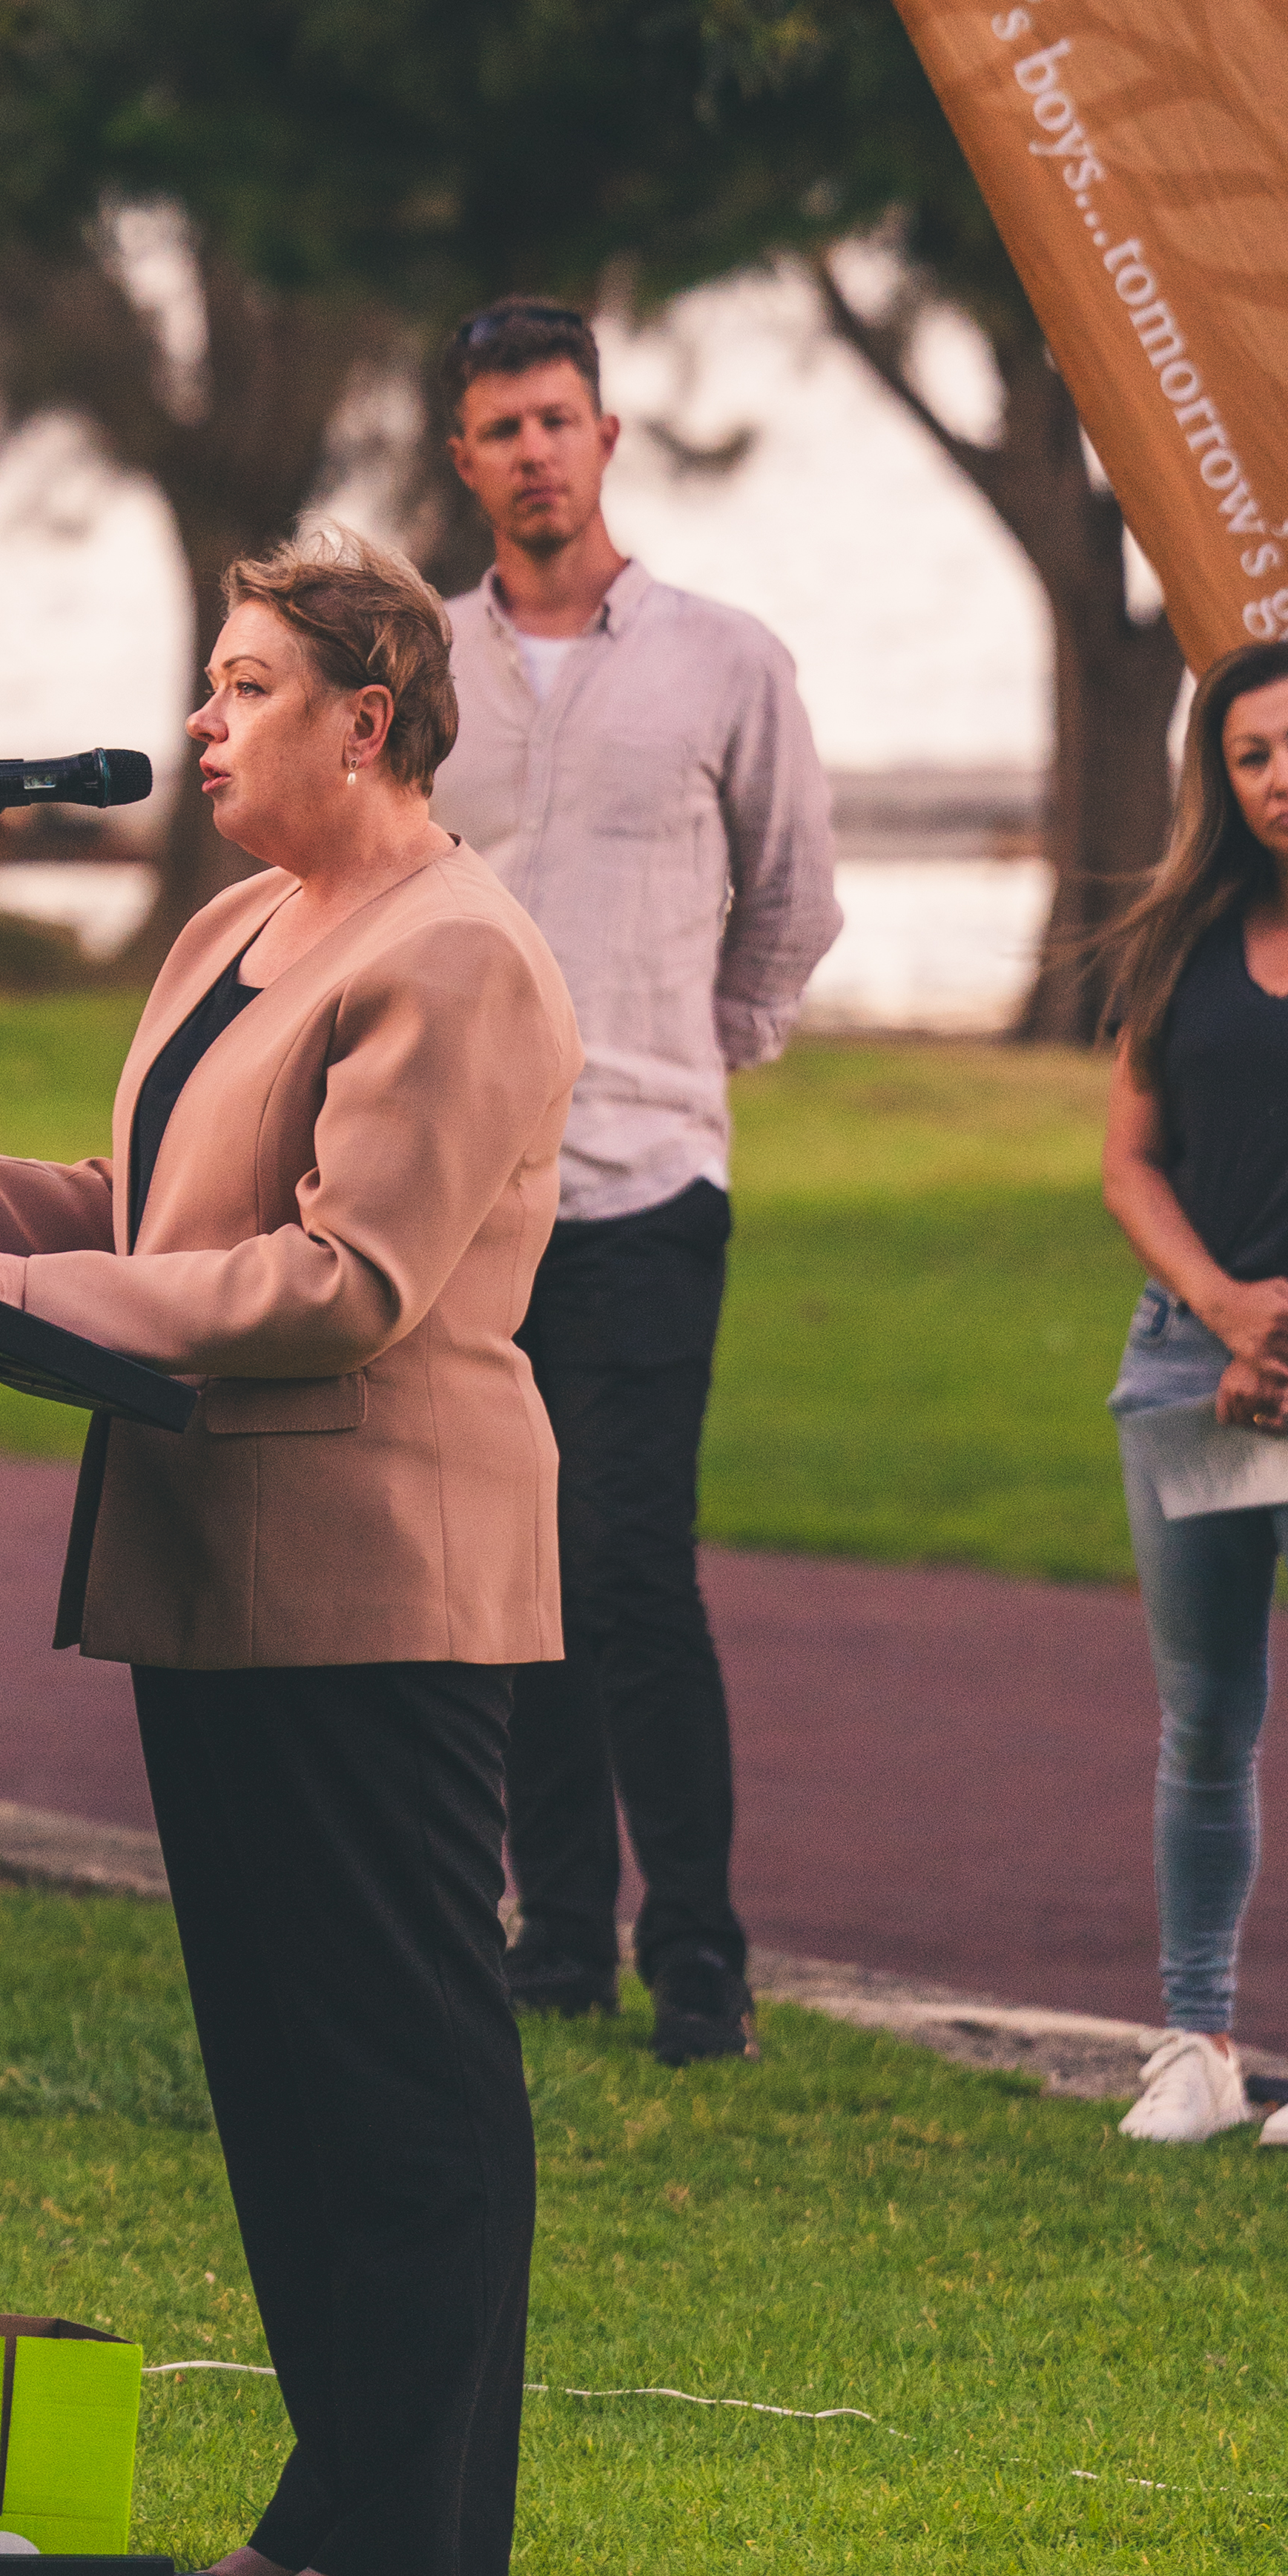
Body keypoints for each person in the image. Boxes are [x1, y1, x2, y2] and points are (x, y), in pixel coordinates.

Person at [0, 530, 579, 2576]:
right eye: (208, 686)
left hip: (378, 1574)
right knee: (277, 2059)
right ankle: (336, 2495)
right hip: (211, 1566)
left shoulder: (452, 953)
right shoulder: (239, 925)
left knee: (388, 2053)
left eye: (241, 688)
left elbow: (337, 1280)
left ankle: (411, 2539)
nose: (199, 726)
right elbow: (146, 1206)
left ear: (361, 718)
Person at [430, 294, 840, 2066]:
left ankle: (697, 1956)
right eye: (499, 425)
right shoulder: (418, 666)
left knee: (626, 1567)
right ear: (462, 458)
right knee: (511, 1568)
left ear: (606, 438)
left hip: (649, 1184)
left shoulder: (723, 660)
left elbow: (794, 893)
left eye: (557, 418)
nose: (533, 449)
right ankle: (552, 1940)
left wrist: (698, 1052)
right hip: (460, 1198)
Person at [1091, 633, 1288, 2158]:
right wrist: (1225, 1313)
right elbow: (1127, 1153)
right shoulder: (1186, 933)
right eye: (1251, 752)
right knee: (1203, 1717)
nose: (1282, 776)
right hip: (1192, 1359)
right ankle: (1195, 2043)